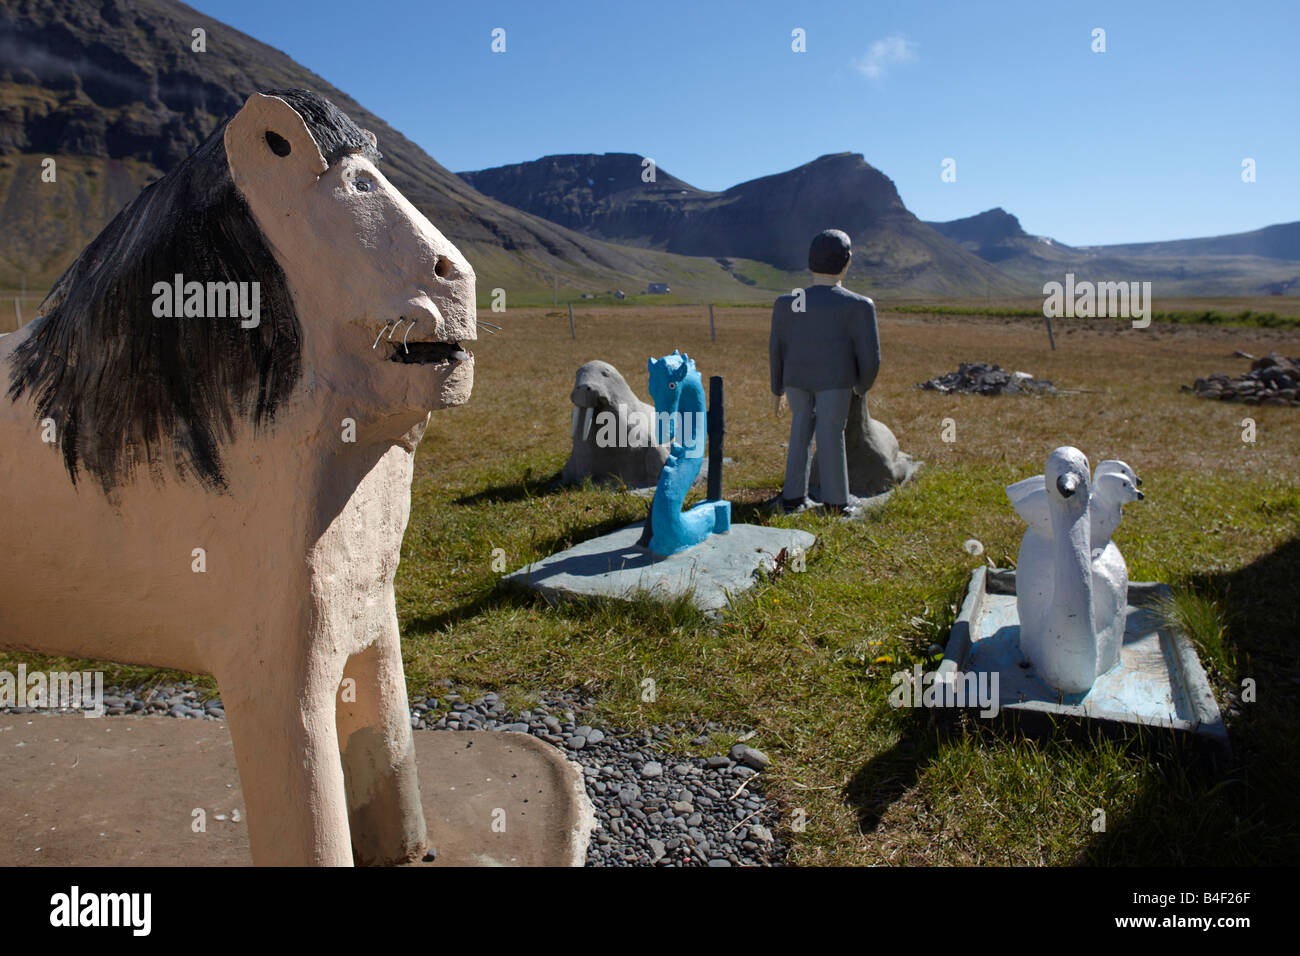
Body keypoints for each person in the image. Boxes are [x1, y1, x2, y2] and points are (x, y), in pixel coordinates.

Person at [769, 229, 881, 513]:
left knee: (799, 431)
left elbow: (777, 348)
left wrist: (777, 388)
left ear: (810, 261)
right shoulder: (858, 305)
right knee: (831, 435)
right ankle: (835, 501)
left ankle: (793, 497)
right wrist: (861, 385)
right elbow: (871, 358)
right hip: (836, 382)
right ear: (847, 261)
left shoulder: (787, 303)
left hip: (796, 382)